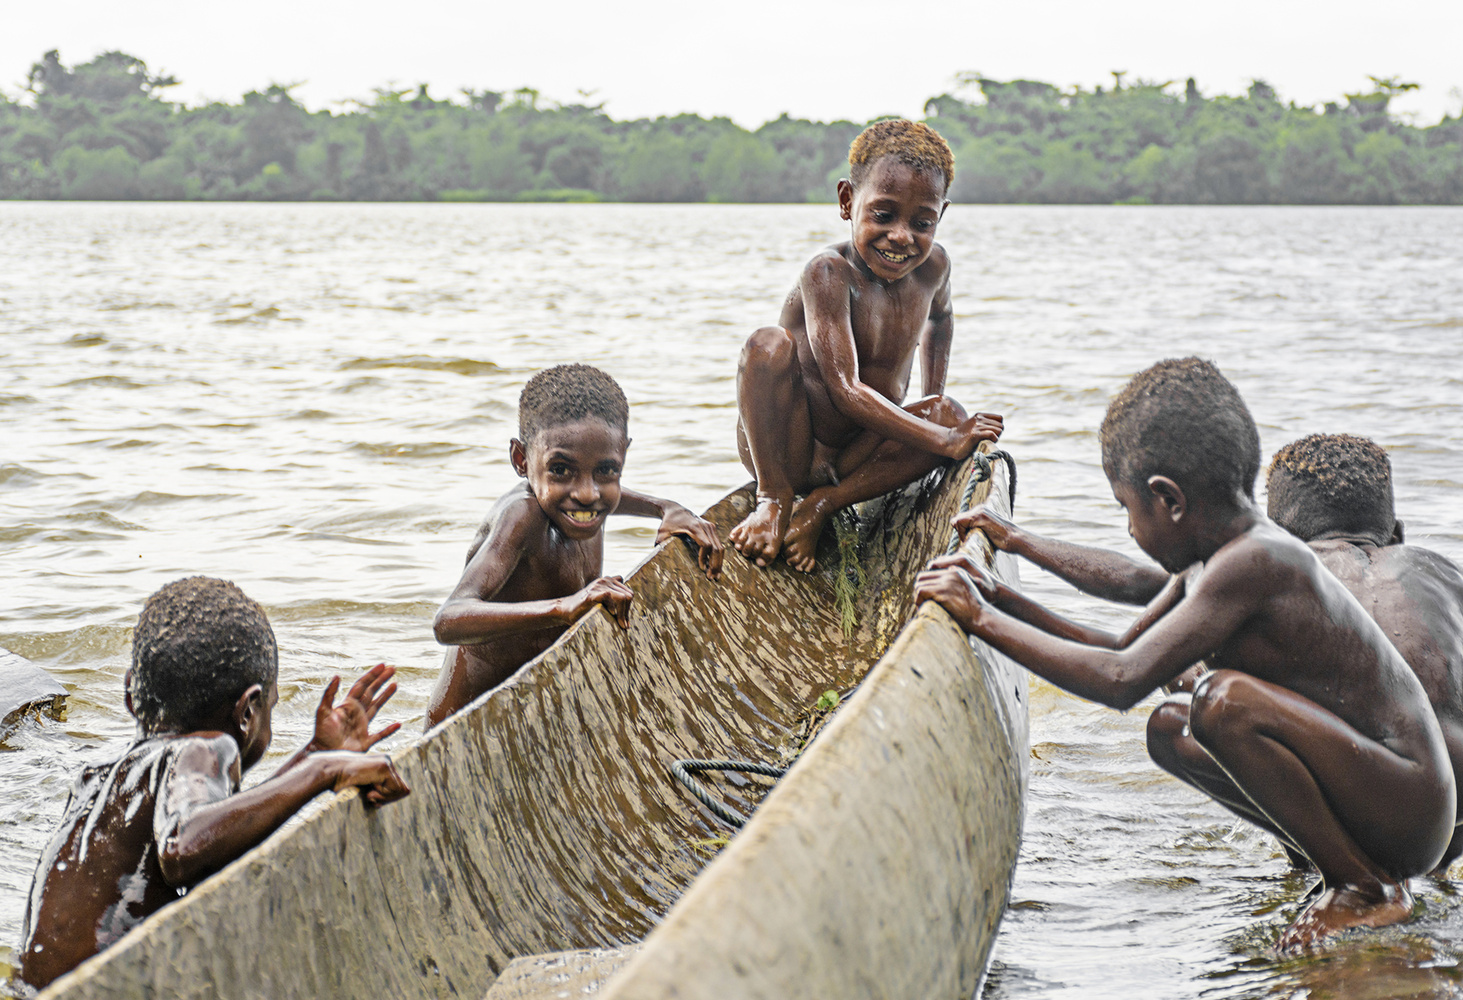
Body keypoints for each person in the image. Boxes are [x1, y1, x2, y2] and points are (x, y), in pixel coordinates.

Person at [914, 358, 1455, 951]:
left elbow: (1119, 681)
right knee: (1172, 722)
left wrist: (982, 620)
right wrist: (1000, 595)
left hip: (1413, 807)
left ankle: (1364, 888)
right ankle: (1339, 862)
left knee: (1222, 703)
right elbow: (1123, 646)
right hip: (1372, 791)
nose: (1127, 529)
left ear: (1167, 500)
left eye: (1127, 510)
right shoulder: (1217, 557)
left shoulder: (1259, 560)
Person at [960, 432, 1463, 872]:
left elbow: (1141, 604)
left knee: (1189, 694)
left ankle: (1332, 863)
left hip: (1361, 795)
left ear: (1278, 532)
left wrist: (1017, 546)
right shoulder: (1441, 573)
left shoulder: (1275, 568)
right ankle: (1406, 865)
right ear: (1396, 533)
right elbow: (1147, 588)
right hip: (1443, 809)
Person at [20, 577, 409, 990]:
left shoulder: (100, 779)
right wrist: (322, 771)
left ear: (131, 695)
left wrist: (312, 754)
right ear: (247, 714)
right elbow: (184, 847)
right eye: (271, 708)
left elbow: (217, 835)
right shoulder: (205, 749)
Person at [728, 119, 1003, 573]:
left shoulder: (935, 267)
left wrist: (932, 403)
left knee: (948, 409)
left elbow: (942, 318)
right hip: (793, 447)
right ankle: (773, 501)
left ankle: (823, 504)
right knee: (765, 345)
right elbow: (844, 388)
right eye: (883, 214)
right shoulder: (828, 274)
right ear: (847, 201)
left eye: (922, 222)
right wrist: (943, 440)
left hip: (860, 456)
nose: (901, 236)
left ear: (941, 216)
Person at [426, 364, 723, 728]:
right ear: (521, 461)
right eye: (561, 470)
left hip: (531, 711)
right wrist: (564, 608)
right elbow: (448, 620)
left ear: (623, 457)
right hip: (465, 727)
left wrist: (666, 508)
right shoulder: (523, 517)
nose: (587, 493)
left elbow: (608, 495)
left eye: (606, 471)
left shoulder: (588, 506)